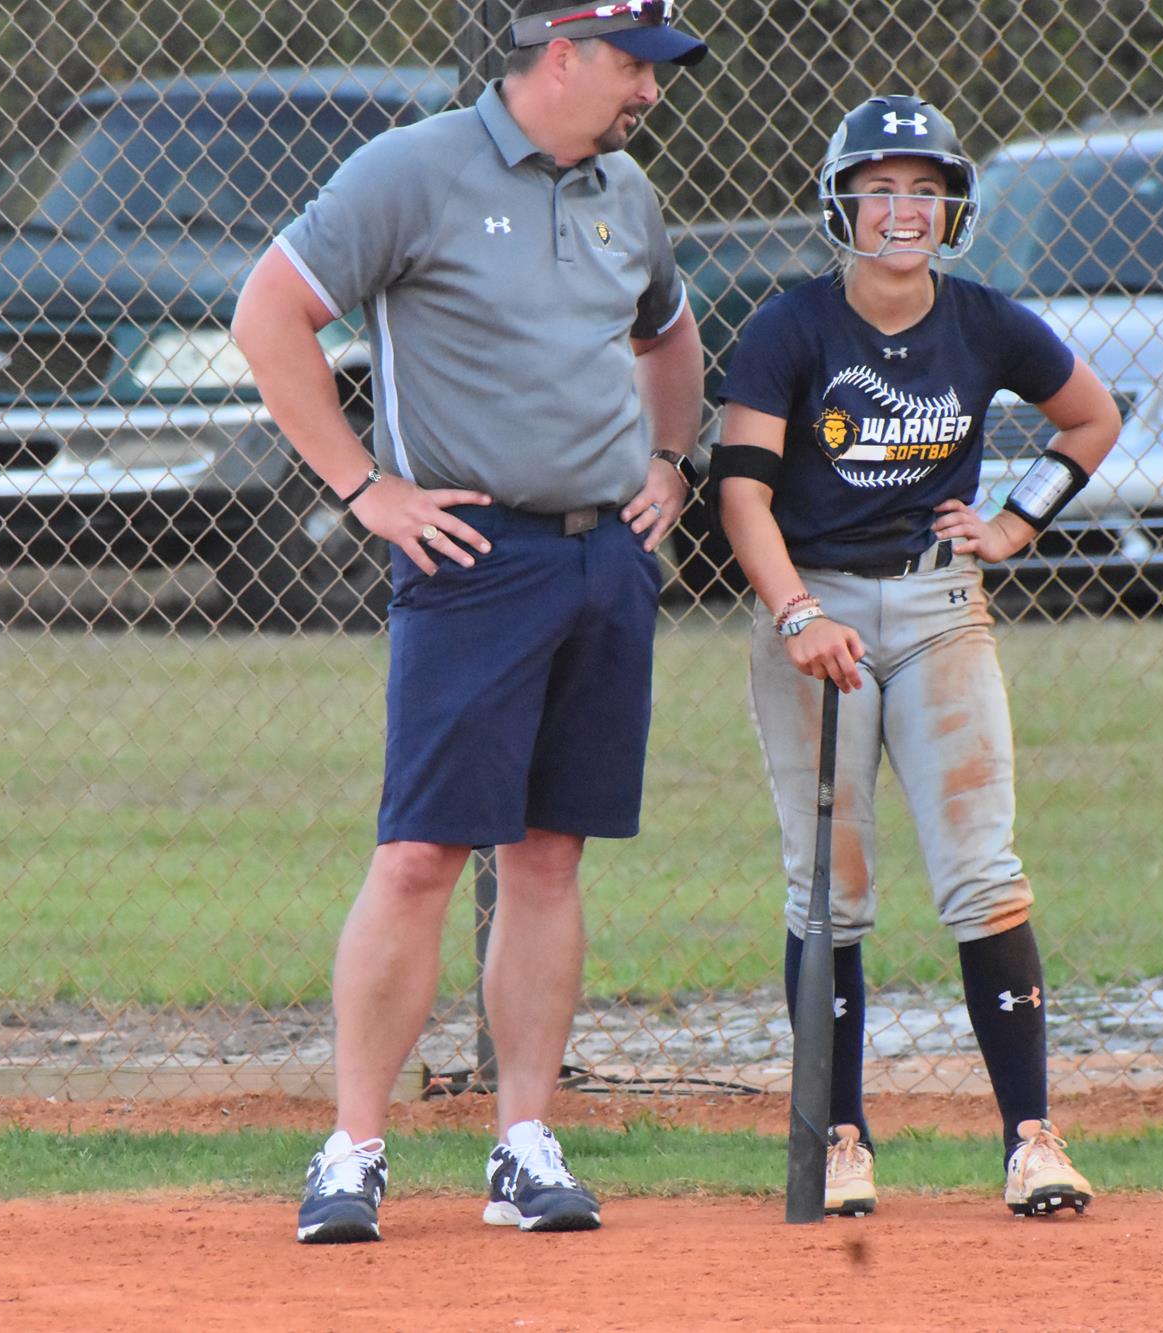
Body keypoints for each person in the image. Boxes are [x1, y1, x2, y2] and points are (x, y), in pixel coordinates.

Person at [230, 0, 707, 1244]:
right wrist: (360, 487)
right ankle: (352, 1148)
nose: (647, 95)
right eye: (632, 69)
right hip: (469, 556)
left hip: (604, 558)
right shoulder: (412, 170)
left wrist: (669, 458)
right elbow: (267, 316)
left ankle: (523, 1143)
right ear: (562, 55)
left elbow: (668, 332)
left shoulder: (623, 191)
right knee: (421, 857)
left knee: (548, 858)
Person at [711, 94, 1122, 1218]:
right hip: (815, 616)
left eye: (924, 190)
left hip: (940, 608)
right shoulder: (787, 327)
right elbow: (739, 494)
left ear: (952, 207)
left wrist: (1014, 523)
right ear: (842, 202)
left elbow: (1089, 419)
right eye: (880, 189)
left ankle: (1030, 1139)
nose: (902, 211)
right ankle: (838, 1138)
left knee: (981, 870)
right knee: (827, 890)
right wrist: (797, 615)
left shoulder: (983, 319)